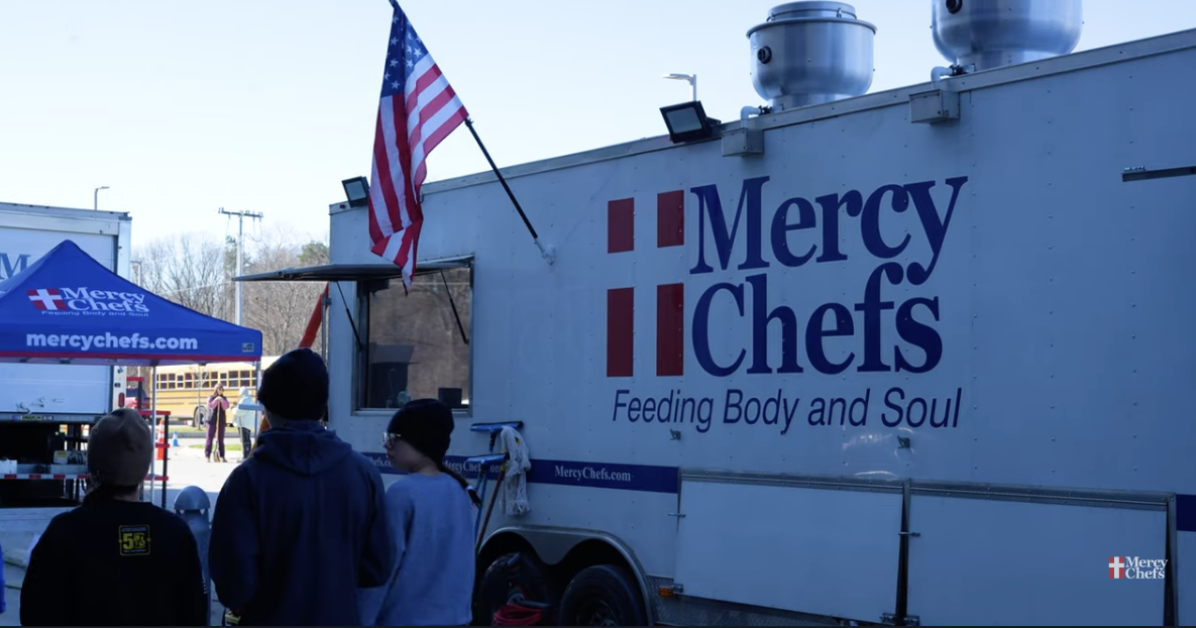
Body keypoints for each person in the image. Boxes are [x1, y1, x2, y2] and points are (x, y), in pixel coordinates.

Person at [209, 348, 393, 626]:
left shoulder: (246, 480)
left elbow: (233, 585)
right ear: (323, 406)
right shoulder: (363, 473)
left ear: (267, 408)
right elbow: (377, 568)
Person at [20, 408, 207, 626]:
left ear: (93, 467)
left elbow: (34, 614)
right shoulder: (175, 533)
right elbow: (195, 613)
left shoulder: (65, 532)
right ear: (144, 468)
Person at [358, 398, 480, 626]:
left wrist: (362, 619)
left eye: (394, 438)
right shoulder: (458, 490)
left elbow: (381, 570)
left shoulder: (402, 494)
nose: (386, 445)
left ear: (420, 442)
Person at [231, 386, 257, 461]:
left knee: (244, 440)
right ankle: (248, 455)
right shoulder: (249, 399)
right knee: (247, 440)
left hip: (243, 423)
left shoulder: (244, 400)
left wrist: (233, 409)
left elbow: (240, 411)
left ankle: (245, 456)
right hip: (248, 423)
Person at [206, 383, 229, 463]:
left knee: (220, 439)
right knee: (210, 437)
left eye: (222, 389)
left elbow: (226, 406)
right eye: (219, 389)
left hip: (221, 420)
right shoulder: (210, 397)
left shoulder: (224, 398)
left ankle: (222, 456)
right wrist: (216, 399)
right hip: (211, 420)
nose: (220, 391)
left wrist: (221, 400)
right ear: (216, 389)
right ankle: (207, 455)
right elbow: (211, 406)